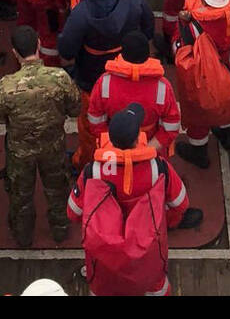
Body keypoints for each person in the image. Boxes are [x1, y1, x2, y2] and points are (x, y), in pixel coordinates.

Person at [68, 104, 202, 297]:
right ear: (136, 138)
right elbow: (181, 204)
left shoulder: (93, 171)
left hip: (105, 259)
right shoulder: (158, 168)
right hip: (147, 251)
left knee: (102, 286)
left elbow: (73, 212)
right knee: (157, 285)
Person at [58, 0, 156, 166]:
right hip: (127, 73)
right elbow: (148, 29)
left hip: (91, 78)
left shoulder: (81, 13)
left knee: (90, 126)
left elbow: (66, 49)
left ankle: (89, 163)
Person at [0, 25, 81, 247]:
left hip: (20, 152)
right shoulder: (60, 78)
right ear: (39, 45)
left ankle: (23, 237)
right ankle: (60, 230)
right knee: (58, 190)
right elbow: (75, 109)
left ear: (14, 52)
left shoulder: (6, 87)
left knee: (20, 196)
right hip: (54, 147)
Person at [174, 0, 230, 168]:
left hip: (201, 72)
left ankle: (199, 153)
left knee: (198, 111)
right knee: (225, 102)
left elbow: (178, 51)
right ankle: (225, 136)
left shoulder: (190, 25)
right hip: (226, 67)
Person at [86, 30, 182, 155]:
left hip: (113, 150)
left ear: (123, 54)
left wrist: (113, 145)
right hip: (152, 149)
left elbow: (95, 121)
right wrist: (146, 150)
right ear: (148, 55)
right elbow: (172, 125)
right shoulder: (162, 86)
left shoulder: (104, 82)